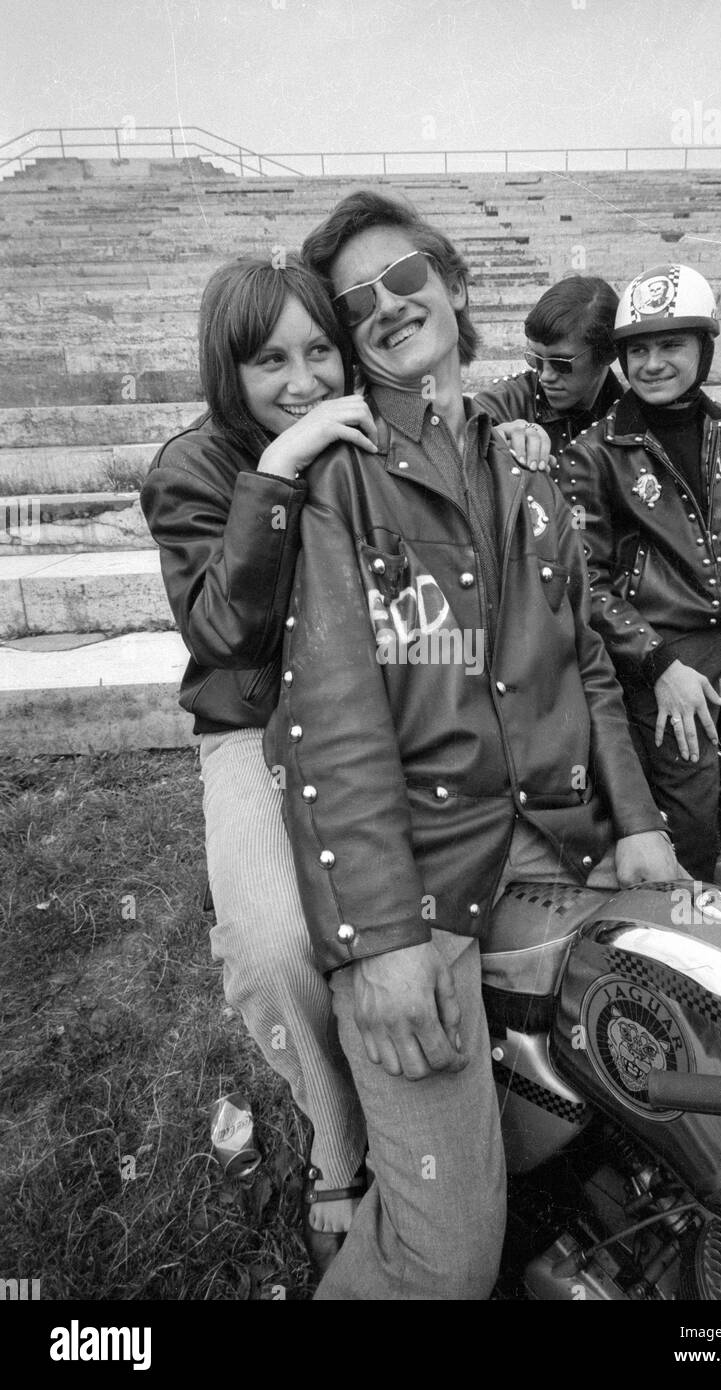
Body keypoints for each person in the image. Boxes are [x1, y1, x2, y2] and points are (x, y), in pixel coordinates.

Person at [264, 191, 684, 1300]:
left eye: (405, 275)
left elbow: (585, 664)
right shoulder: (339, 482)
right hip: (429, 879)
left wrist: (640, 825)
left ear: (454, 285)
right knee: (448, 1260)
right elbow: (335, 724)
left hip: (555, 840)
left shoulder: (531, 468)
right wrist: (385, 941)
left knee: (695, 1035)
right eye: (357, 301)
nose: (387, 304)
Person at [140, 253, 555, 1273]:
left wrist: (521, 422)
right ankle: (338, 1137)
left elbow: (462, 402)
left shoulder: (372, 422)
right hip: (250, 716)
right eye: (268, 361)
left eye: (318, 348)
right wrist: (275, 473)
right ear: (225, 372)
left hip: (375, 701)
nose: (302, 379)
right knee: (280, 942)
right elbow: (225, 631)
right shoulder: (194, 468)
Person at [562, 263, 721, 882]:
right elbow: (586, 582)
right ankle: (692, 937)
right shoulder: (594, 453)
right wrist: (658, 666)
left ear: (703, 348)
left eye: (671, 344)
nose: (652, 363)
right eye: (638, 350)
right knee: (693, 813)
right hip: (662, 654)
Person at [473, 275, 624, 484]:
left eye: (562, 363)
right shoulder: (505, 402)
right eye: (535, 360)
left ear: (607, 355)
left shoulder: (633, 416)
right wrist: (489, 439)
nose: (545, 376)